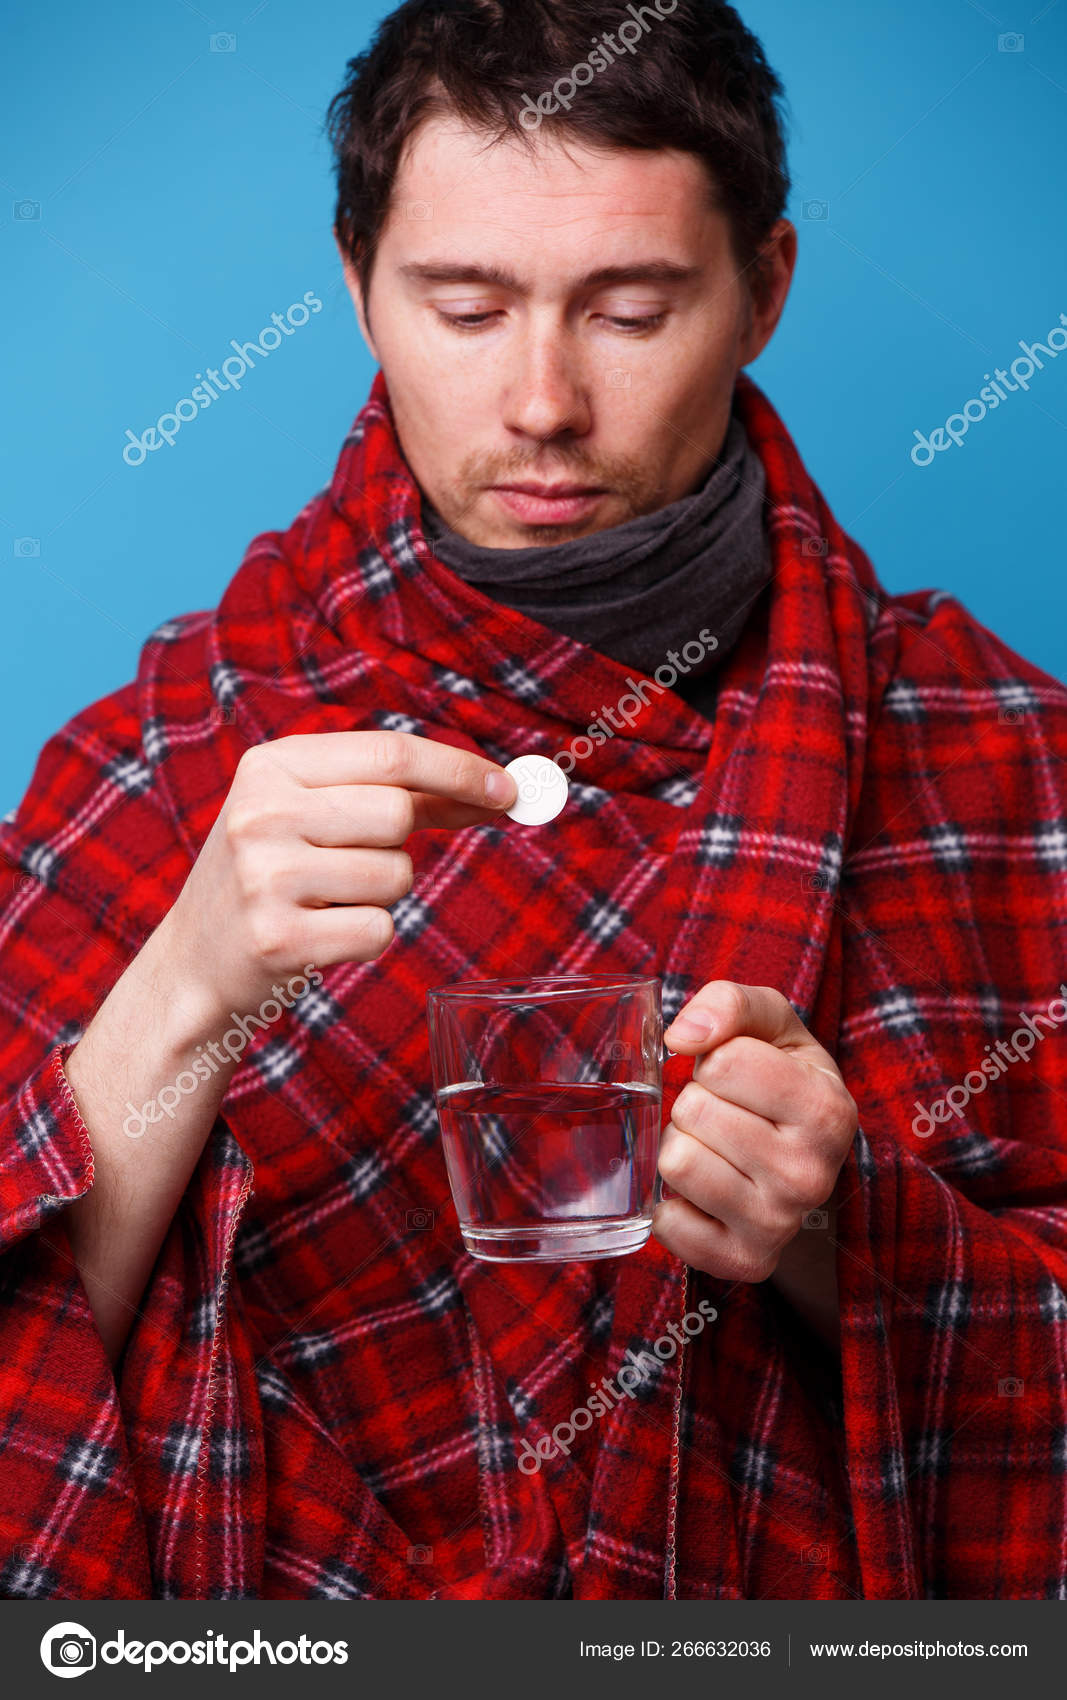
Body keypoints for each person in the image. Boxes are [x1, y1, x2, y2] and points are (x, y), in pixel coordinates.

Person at [2, 0, 1065, 1601]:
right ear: (358, 287)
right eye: (466, 306)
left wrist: (849, 1232)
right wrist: (188, 986)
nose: (544, 404)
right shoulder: (165, 750)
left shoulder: (1000, 754)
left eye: (631, 312)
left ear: (765, 291)